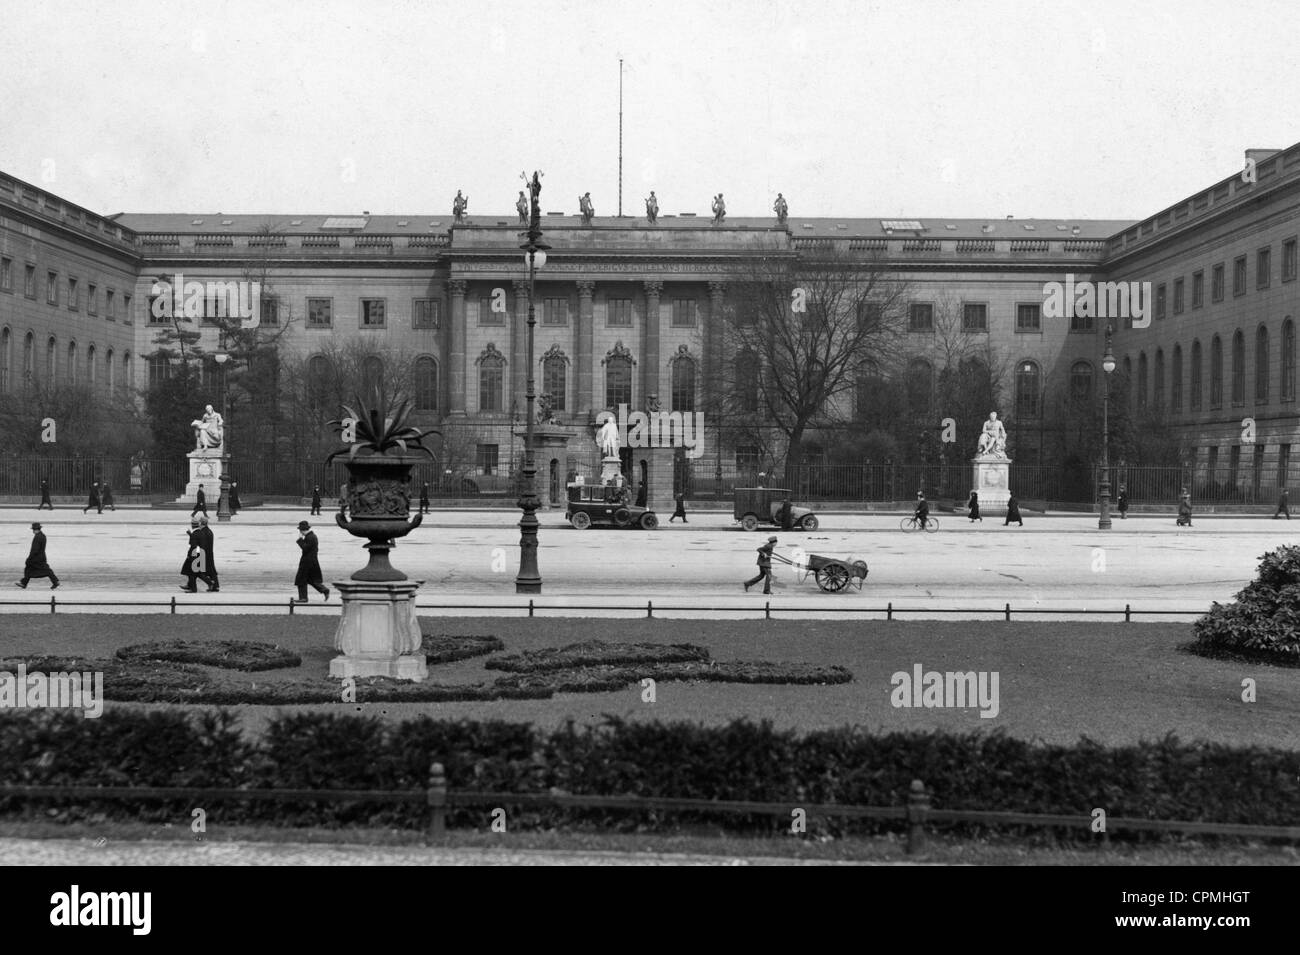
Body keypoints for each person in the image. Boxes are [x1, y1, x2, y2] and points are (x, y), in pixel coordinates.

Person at [293, 521, 330, 604]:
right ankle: (324, 590)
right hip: (312, 561)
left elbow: (305, 548)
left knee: (301, 579)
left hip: (307, 562)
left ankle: (303, 598)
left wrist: (300, 540)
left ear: (302, 530)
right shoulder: (311, 536)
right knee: (311, 579)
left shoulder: (310, 537)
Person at [16, 523, 59, 590]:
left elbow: (35, 549)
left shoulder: (37, 537)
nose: (33, 531)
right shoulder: (43, 536)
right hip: (42, 556)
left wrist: (29, 558)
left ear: (35, 529)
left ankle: (24, 583)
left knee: (30, 568)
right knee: (44, 569)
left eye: (33, 529)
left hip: (36, 557)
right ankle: (55, 581)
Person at [195, 516, 219, 591]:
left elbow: (202, 544)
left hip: (205, 554)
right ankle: (215, 586)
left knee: (197, 571)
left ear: (201, 523)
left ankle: (211, 584)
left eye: (199, 521)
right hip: (209, 554)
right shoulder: (208, 531)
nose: (198, 523)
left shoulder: (204, 532)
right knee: (211, 571)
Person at [179, 517, 203, 593]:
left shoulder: (194, 534)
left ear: (192, 525)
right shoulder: (200, 532)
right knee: (193, 572)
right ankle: (190, 586)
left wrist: (190, 556)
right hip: (199, 554)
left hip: (194, 555)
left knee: (191, 572)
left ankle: (193, 588)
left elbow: (193, 546)